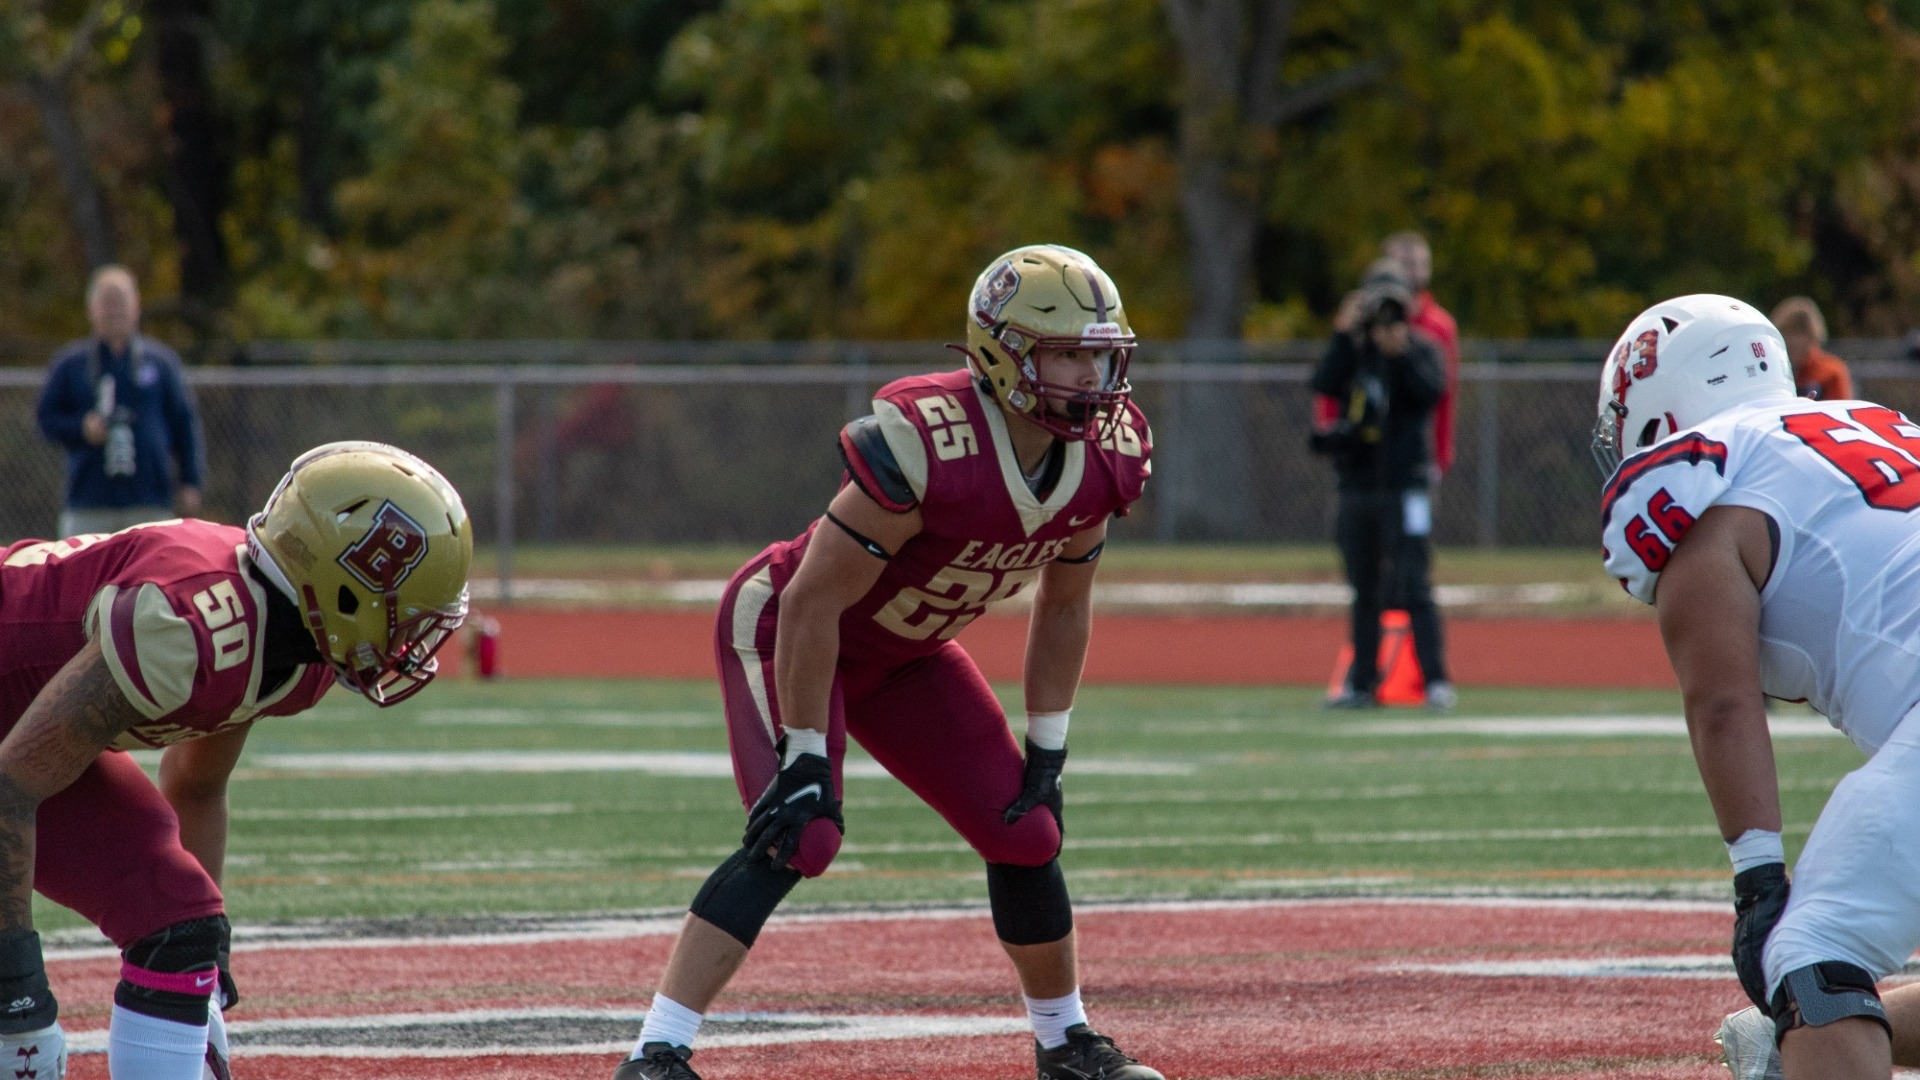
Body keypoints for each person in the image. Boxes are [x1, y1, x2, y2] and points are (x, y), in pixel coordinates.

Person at [610, 245, 1161, 1080]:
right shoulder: (929, 440)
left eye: (1099, 353)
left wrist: (1048, 746)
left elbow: (1065, 604)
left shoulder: (1104, 455)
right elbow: (812, 601)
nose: (1091, 374)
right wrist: (801, 755)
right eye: (1068, 353)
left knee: (1026, 829)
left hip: (905, 653)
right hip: (787, 628)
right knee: (804, 831)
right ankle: (657, 1052)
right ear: (1002, 352)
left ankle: (1066, 1044)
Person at [0, 441, 471, 1080]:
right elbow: (8, 790)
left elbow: (196, 784)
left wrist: (202, 984)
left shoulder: (289, 651)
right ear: (345, 588)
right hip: (12, 757)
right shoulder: (190, 623)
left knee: (178, 921)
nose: (411, 638)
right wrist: (15, 997)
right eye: (406, 613)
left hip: (19, 741)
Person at [1591, 293, 1920, 1080]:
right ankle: (1784, 1046)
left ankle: (1791, 1045)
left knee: (1813, 959)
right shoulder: (1879, 423)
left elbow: (1724, 704)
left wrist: (1759, 882)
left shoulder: (1710, 490)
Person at [1309, 259, 1453, 710]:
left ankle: (1435, 681)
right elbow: (1324, 383)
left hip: (1404, 484)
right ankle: (1362, 682)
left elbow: (1432, 391)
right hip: (1359, 485)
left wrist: (1401, 353)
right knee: (1364, 587)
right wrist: (1343, 334)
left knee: (1414, 584)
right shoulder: (1355, 352)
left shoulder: (1421, 349)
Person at [36, 266, 209, 539]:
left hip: (150, 501)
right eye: (107, 302)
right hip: (89, 504)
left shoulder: (161, 363)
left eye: (121, 301)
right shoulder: (72, 364)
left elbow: (184, 422)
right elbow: (46, 419)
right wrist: (82, 428)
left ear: (136, 306)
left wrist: (190, 480)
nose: (114, 311)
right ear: (91, 309)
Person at [1382, 231, 1460, 479]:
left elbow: (1446, 392)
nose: (1412, 272)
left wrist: (1442, 452)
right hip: (1371, 454)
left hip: (1418, 454)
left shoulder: (1440, 325)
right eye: (1404, 264)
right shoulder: (1370, 319)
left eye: (1419, 264)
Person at [1770, 295, 1855, 402]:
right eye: (1786, 332)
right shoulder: (1773, 369)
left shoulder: (1831, 371)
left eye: (1798, 332)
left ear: (1812, 335)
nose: (1791, 340)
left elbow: (1840, 409)